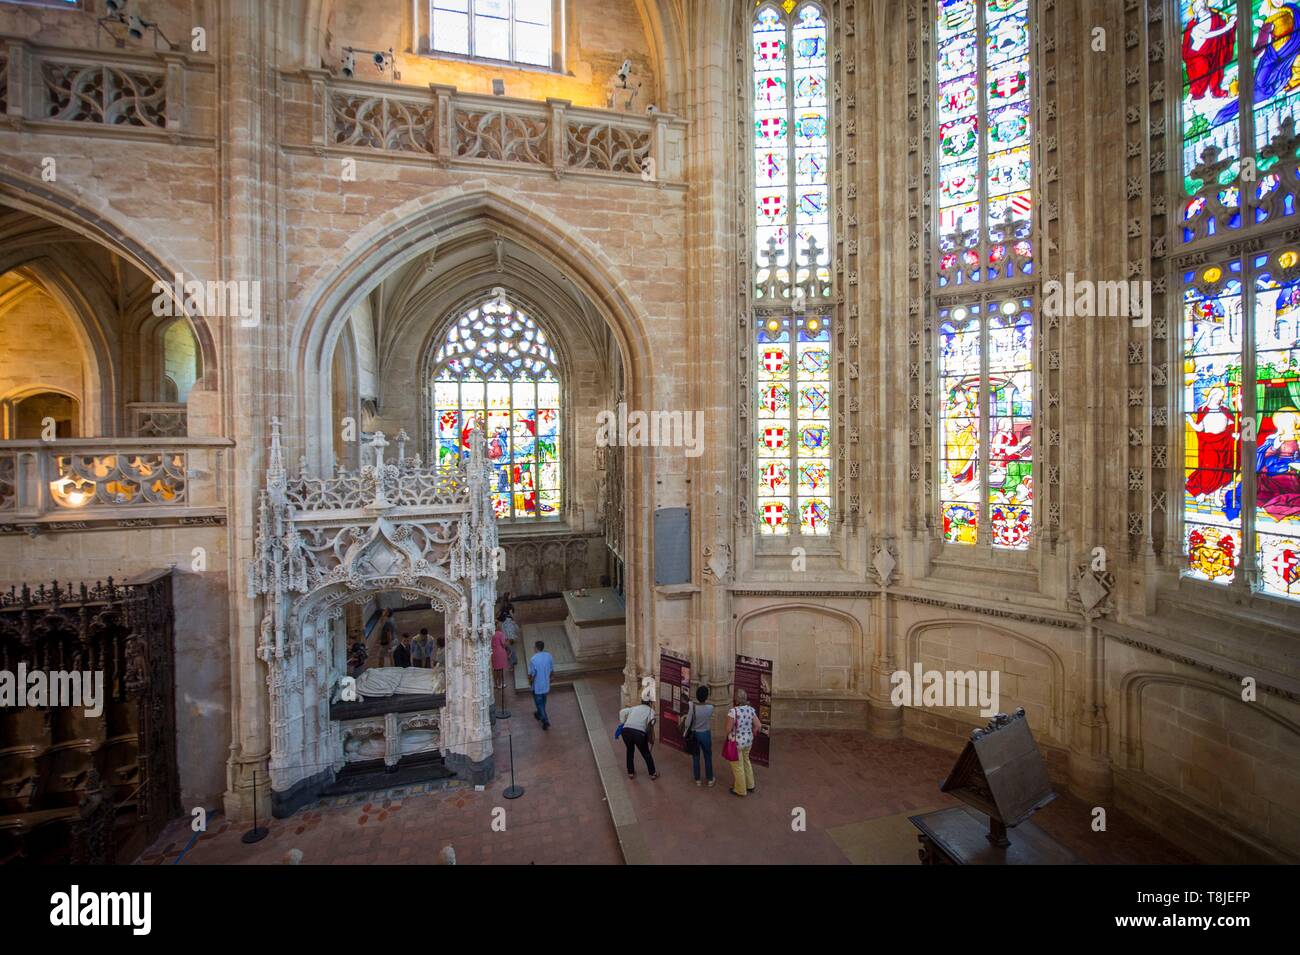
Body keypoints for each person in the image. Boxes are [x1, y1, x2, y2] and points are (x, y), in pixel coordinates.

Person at [724, 688, 763, 797]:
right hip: (748, 740)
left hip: (737, 743)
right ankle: (750, 785)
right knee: (746, 761)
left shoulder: (733, 712)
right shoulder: (751, 710)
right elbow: (759, 725)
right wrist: (753, 731)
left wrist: (729, 735)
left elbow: (728, 728)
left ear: (736, 699)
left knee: (737, 766)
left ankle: (740, 790)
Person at [618, 693, 658, 780]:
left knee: (630, 751)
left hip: (626, 731)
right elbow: (651, 723)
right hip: (639, 733)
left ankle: (631, 772)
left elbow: (622, 712)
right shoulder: (651, 711)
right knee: (646, 753)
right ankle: (653, 773)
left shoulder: (634, 708)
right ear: (650, 703)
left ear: (641, 701)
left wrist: (623, 722)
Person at [685, 685, 715, 787]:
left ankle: (698, 779)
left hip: (695, 734)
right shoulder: (710, 708)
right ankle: (710, 779)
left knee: (696, 757)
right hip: (705, 733)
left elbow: (687, 723)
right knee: (708, 757)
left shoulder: (692, 708)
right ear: (707, 696)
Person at [527, 640, 554, 730]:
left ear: (536, 648)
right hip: (546, 684)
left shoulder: (534, 659)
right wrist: (550, 678)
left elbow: (532, 674)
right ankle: (539, 714)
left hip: (537, 685)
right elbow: (551, 670)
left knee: (539, 703)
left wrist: (530, 682)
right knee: (543, 701)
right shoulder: (548, 656)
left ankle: (545, 720)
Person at [491, 625, 510, 703]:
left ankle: (495, 684)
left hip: (494, 652)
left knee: (495, 669)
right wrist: (507, 642)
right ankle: (501, 683)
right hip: (500, 652)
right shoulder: (500, 634)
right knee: (500, 668)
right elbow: (503, 644)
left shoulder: (491, 634)